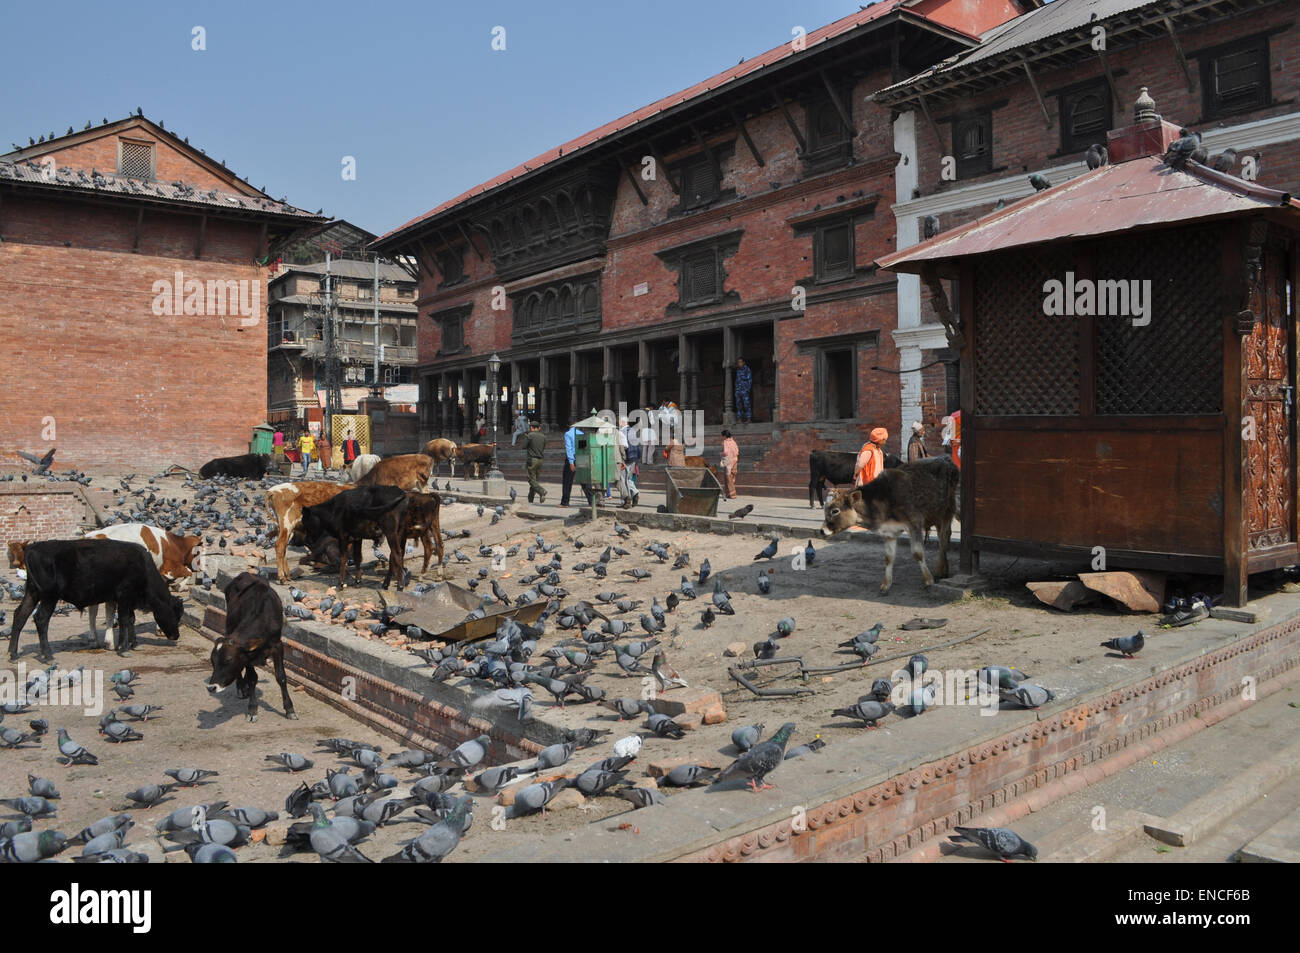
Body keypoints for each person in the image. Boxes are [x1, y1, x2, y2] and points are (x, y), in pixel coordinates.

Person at [524, 420, 547, 504]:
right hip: (540, 459)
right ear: (539, 428)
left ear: (531, 428)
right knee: (535, 480)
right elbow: (544, 447)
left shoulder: (529, 435)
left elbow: (524, 446)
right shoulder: (543, 436)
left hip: (532, 459)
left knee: (531, 479)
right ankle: (530, 499)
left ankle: (542, 491)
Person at [561, 420, 580, 507]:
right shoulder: (581, 433)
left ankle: (565, 502)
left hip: (572, 458)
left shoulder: (568, 434)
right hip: (581, 457)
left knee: (567, 481)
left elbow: (569, 449)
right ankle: (591, 500)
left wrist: (571, 462)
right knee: (584, 481)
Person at [720, 429, 739, 499]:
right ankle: (728, 493)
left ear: (724, 436)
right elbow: (737, 451)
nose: (722, 437)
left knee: (728, 478)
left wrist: (721, 454)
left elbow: (725, 452)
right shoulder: (734, 442)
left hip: (728, 461)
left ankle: (732, 494)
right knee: (732, 477)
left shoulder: (725, 442)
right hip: (735, 460)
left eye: (722, 436)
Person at [734, 357, 753, 423]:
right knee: (738, 405)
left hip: (744, 390)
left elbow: (749, 380)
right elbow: (736, 380)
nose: (739, 363)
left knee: (746, 404)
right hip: (738, 390)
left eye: (741, 362)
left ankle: (749, 418)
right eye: (738, 362)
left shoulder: (747, 369)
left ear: (743, 362)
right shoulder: (738, 370)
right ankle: (739, 419)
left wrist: (747, 389)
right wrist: (736, 389)